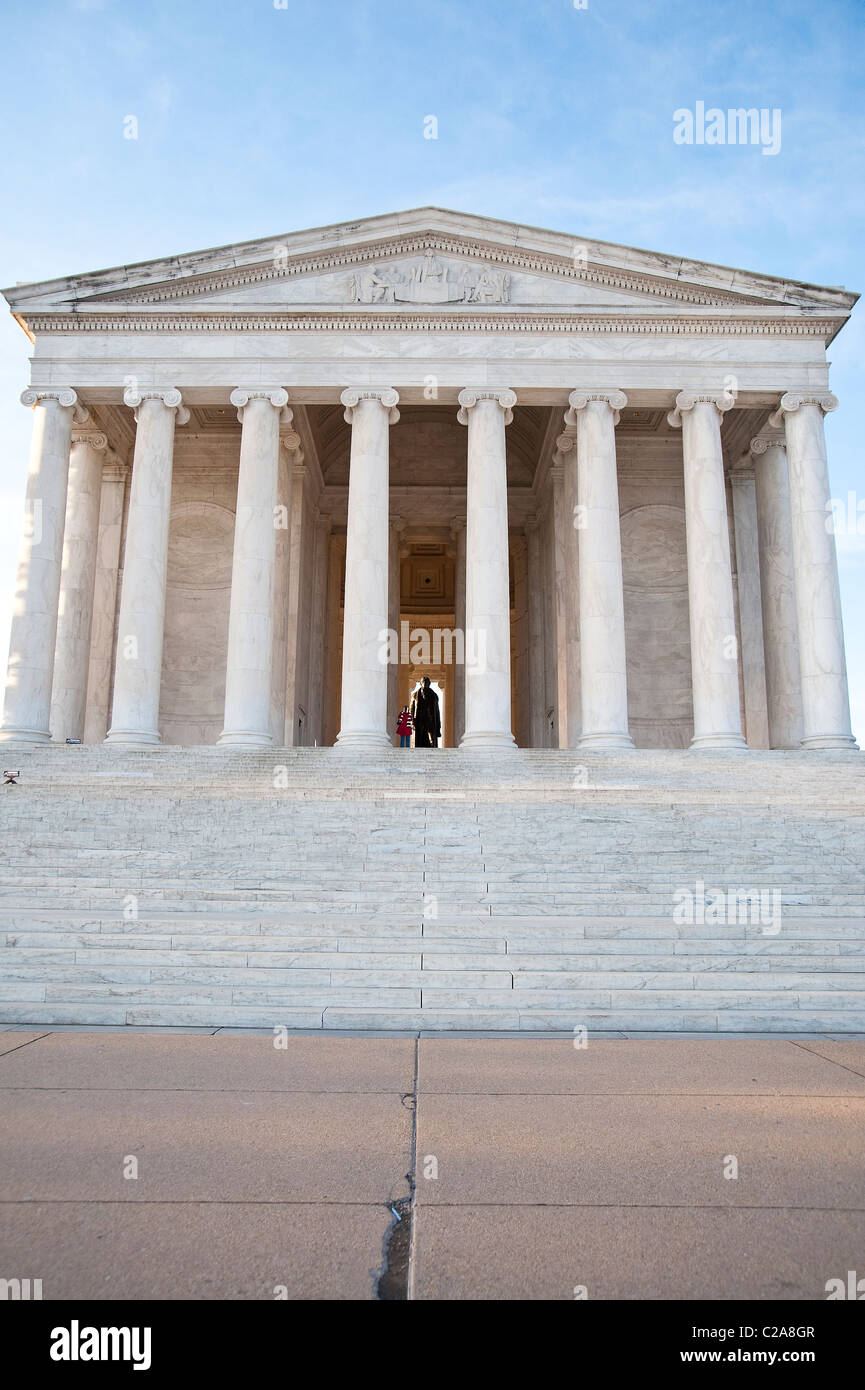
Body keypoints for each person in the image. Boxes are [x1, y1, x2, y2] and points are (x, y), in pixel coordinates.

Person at [411, 677, 441, 748]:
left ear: (429, 684)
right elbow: (411, 710)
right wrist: (412, 722)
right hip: (419, 719)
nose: (425, 683)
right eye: (423, 682)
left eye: (427, 682)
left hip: (430, 719)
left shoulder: (434, 696)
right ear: (420, 683)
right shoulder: (414, 695)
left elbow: (437, 711)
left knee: (431, 738)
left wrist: (438, 726)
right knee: (420, 737)